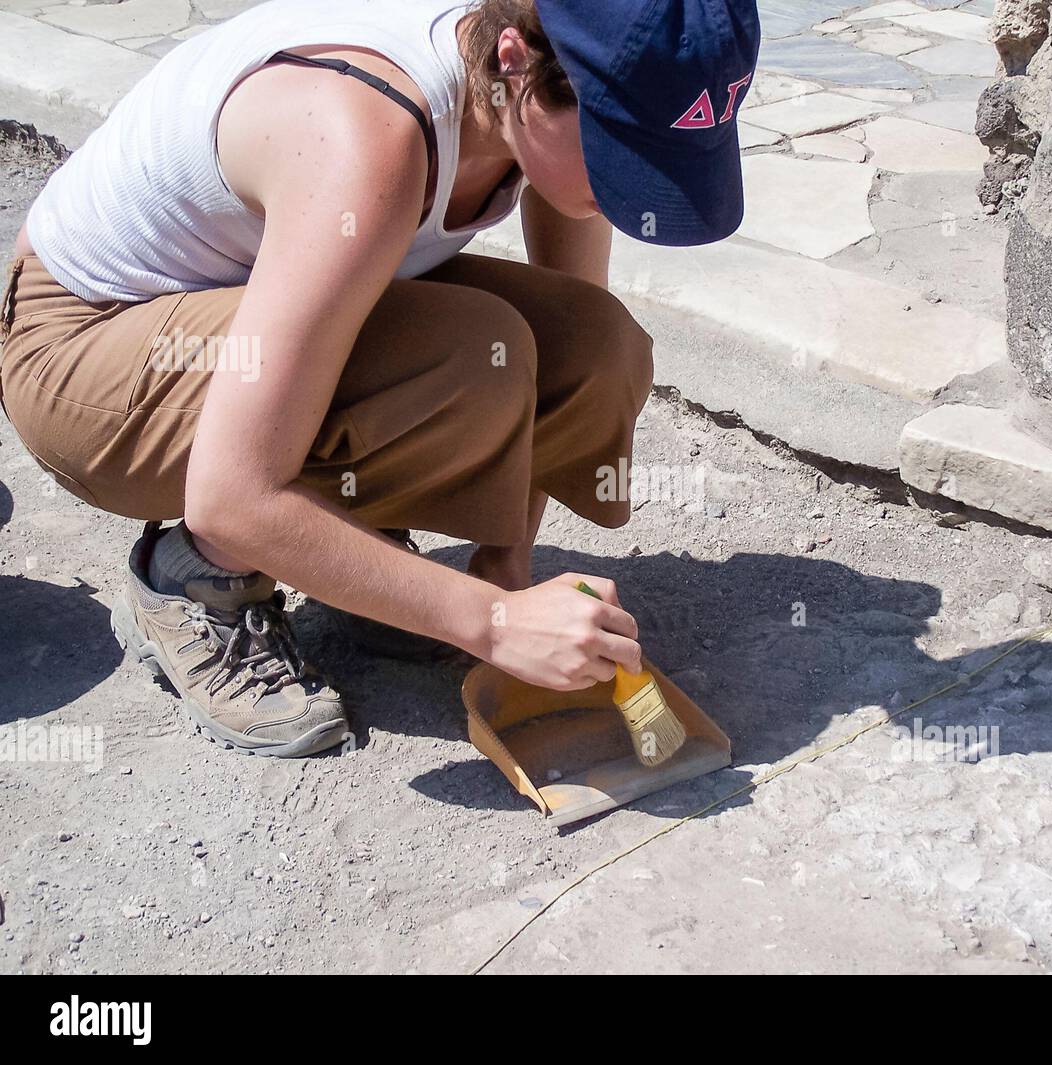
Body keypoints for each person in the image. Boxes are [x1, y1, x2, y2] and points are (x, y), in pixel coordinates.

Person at [0, 0, 759, 756]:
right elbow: (231, 493)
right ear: (514, 61)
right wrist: (489, 623)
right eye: (619, 153)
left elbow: (569, 367)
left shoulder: (534, 94)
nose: (630, 194)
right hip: (81, 349)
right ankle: (199, 576)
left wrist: (505, 567)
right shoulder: (371, 138)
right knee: (467, 354)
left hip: (228, 308)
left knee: (595, 343)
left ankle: (354, 551)